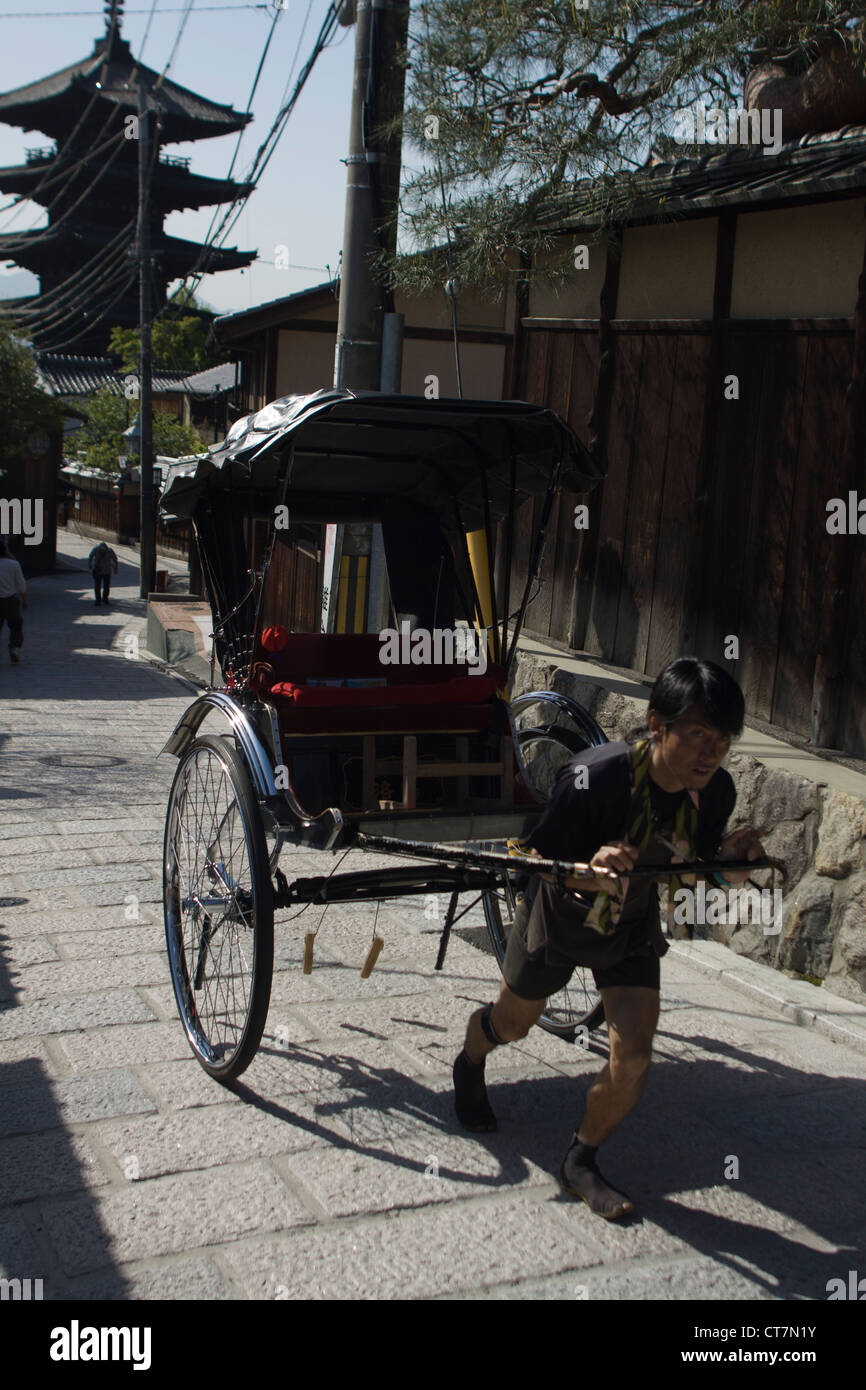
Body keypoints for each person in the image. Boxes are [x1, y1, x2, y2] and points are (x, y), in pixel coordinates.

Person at [452, 657, 765, 1220]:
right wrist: (585, 868)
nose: (710, 752)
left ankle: (580, 1159)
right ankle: (469, 1060)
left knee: (635, 1056)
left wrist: (733, 866)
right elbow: (535, 860)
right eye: (697, 734)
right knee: (513, 1023)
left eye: (722, 739)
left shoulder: (714, 792)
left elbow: (696, 868)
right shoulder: (593, 776)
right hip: (562, 912)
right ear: (656, 724)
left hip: (630, 924)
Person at [0, 536, 27, 663]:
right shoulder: (13, 564)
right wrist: (25, 600)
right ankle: (15, 648)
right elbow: (21, 584)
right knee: (16, 625)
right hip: (10, 600)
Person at [88, 541, 119, 606]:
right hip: (98, 571)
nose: (102, 551)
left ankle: (105, 598)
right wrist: (90, 564)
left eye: (104, 550)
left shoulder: (110, 551)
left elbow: (115, 559)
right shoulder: (96, 549)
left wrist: (115, 568)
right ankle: (98, 600)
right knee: (97, 586)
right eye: (101, 550)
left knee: (106, 586)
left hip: (107, 571)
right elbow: (90, 556)